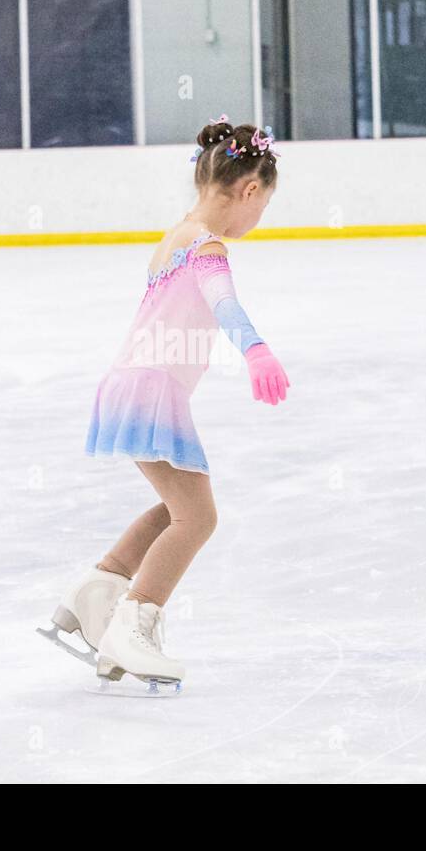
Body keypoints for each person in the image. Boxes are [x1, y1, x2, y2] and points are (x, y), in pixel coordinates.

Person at [43, 116, 291, 691]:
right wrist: (256, 352)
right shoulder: (206, 246)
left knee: (172, 508)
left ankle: (97, 590)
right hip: (153, 392)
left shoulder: (175, 235)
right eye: (264, 204)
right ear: (250, 190)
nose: (259, 218)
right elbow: (223, 304)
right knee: (197, 516)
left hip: (130, 385)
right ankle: (137, 621)